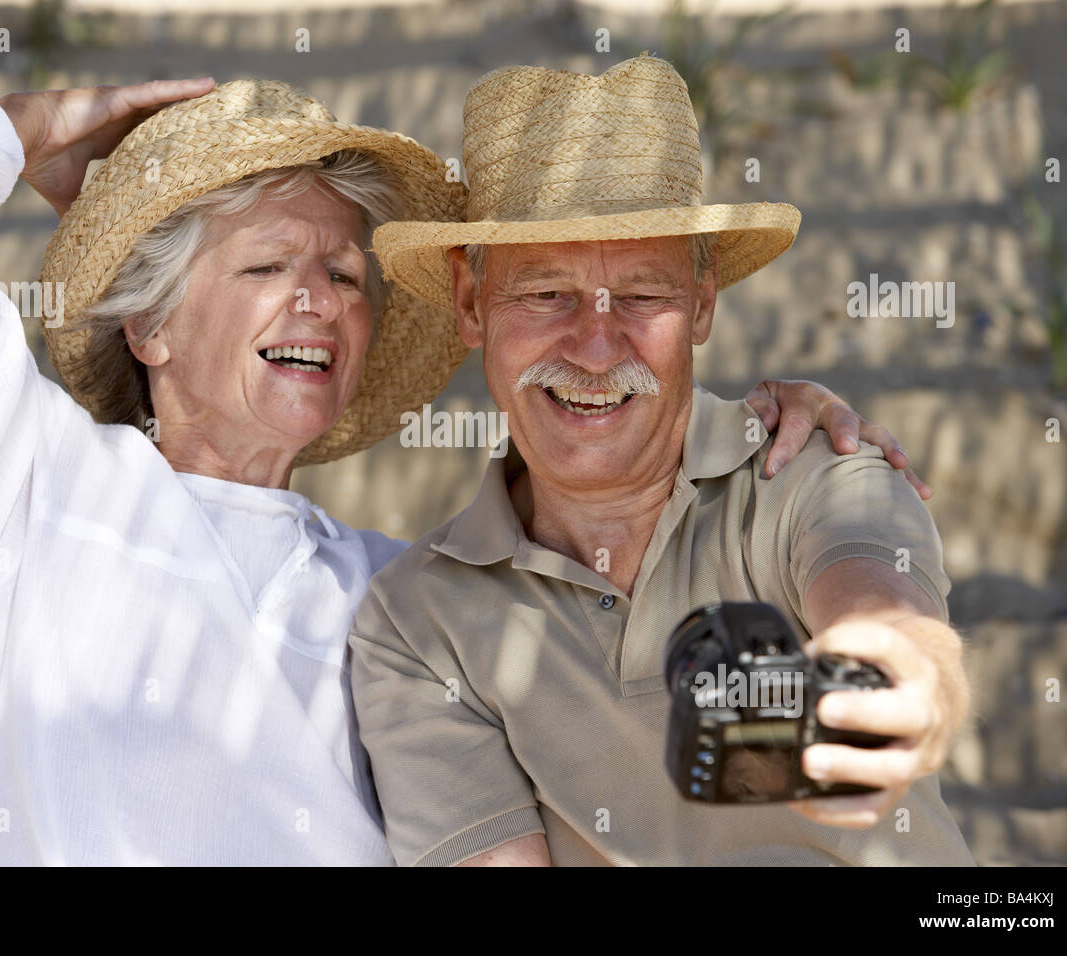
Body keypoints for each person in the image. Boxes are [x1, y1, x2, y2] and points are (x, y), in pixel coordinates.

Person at [0, 73, 924, 865]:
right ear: (146, 327)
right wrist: (38, 121)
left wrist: (742, 429)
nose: (321, 299)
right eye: (268, 264)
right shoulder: (19, 489)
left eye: (346, 275)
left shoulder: (398, 598)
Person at [349, 55, 975, 866]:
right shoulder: (416, 620)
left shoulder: (818, 470)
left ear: (703, 303)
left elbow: (886, 613)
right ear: (472, 303)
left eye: (643, 296)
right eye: (546, 294)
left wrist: (897, 684)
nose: (597, 347)